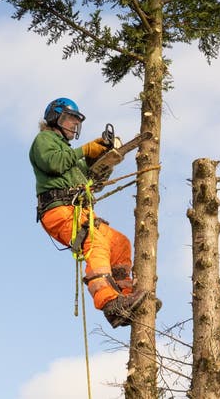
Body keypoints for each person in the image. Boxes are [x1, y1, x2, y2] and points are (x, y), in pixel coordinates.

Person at [30, 96, 147, 328]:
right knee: (94, 241)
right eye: (69, 119)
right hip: (58, 210)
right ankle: (110, 303)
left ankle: (125, 294)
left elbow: (90, 179)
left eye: (76, 121)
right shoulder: (44, 140)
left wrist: (102, 160)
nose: (73, 125)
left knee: (119, 243)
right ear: (55, 118)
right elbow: (55, 163)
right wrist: (86, 150)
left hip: (76, 210)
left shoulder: (71, 158)